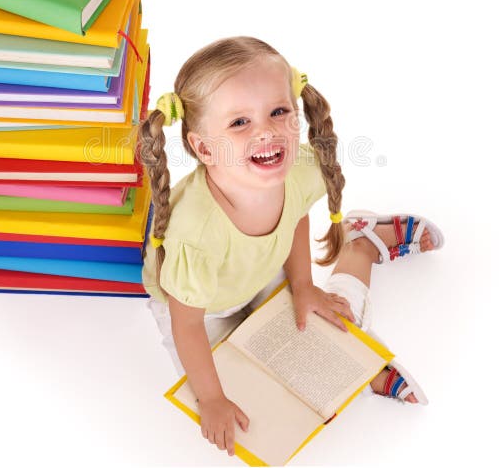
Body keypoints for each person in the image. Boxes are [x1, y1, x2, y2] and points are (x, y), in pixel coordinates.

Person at [138, 36, 444, 457]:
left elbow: (295, 212)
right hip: (199, 306)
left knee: (326, 317)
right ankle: (352, 322)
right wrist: (211, 400)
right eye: (239, 122)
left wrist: (303, 284)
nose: (266, 131)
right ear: (204, 147)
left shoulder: (295, 167)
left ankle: (361, 248)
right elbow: (186, 324)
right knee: (225, 398)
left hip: (258, 271)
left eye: (278, 112)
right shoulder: (197, 233)